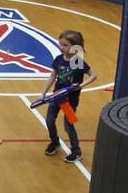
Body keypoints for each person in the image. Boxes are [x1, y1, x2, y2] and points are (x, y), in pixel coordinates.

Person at [42, 30, 97, 164]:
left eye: (65, 45)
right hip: (57, 97)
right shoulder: (58, 59)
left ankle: (76, 151)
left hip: (69, 101)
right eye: (60, 44)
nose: (61, 47)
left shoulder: (78, 61)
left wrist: (81, 85)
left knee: (68, 126)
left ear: (74, 47)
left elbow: (93, 75)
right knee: (49, 120)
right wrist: (44, 92)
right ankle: (55, 142)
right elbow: (52, 76)